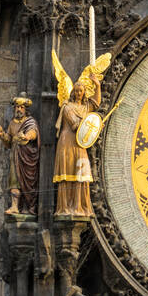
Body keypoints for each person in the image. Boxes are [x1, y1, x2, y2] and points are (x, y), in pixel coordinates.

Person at [54, 73, 100, 216]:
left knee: (82, 173)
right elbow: (76, 125)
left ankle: (81, 207)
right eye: (76, 91)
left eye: (81, 91)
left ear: (84, 92)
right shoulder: (67, 107)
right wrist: (94, 125)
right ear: (72, 92)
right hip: (68, 142)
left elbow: (96, 103)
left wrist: (97, 85)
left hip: (79, 143)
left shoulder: (86, 107)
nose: (79, 93)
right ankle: (65, 208)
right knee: (68, 173)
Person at [0, 94, 40, 216]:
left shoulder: (30, 122)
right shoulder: (12, 123)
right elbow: (9, 142)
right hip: (15, 155)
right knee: (14, 180)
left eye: (21, 107)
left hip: (27, 156)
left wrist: (27, 136)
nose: (19, 110)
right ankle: (15, 206)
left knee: (27, 182)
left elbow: (33, 132)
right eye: (17, 107)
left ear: (26, 109)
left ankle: (28, 206)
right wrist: (2, 136)